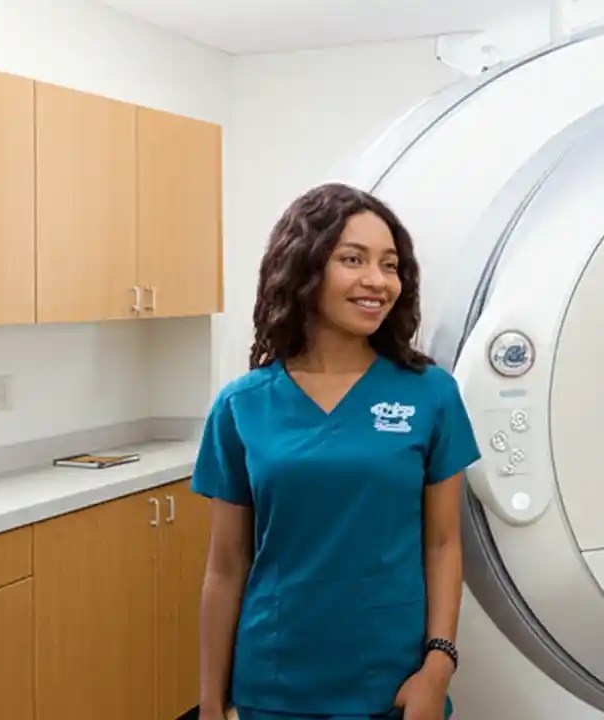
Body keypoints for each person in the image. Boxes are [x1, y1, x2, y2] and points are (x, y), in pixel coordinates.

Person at [194, 183, 482, 720]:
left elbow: (443, 544)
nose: (378, 281)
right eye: (353, 259)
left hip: (393, 685)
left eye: (390, 264)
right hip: (274, 684)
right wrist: (212, 707)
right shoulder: (242, 407)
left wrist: (436, 668)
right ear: (304, 267)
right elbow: (225, 567)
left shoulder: (430, 393)